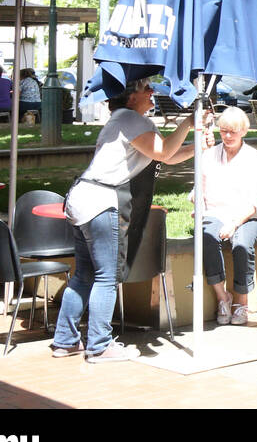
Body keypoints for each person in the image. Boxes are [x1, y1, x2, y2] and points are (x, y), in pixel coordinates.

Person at [51, 79, 200, 362]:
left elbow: (165, 155)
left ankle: (66, 341)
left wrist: (194, 148)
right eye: (145, 88)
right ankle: (99, 345)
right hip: (100, 202)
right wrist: (188, 123)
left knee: (84, 276)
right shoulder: (130, 119)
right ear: (130, 97)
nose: (152, 92)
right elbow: (164, 152)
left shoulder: (124, 120)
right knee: (106, 277)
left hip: (83, 199)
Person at [196, 106, 257, 325]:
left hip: (247, 215)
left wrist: (235, 223)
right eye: (224, 131)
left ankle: (242, 302)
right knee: (206, 237)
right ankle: (222, 297)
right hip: (215, 212)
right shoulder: (209, 155)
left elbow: (256, 202)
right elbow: (198, 190)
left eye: (232, 132)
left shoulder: (255, 159)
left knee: (242, 245)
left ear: (244, 132)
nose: (227, 136)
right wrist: (198, 206)